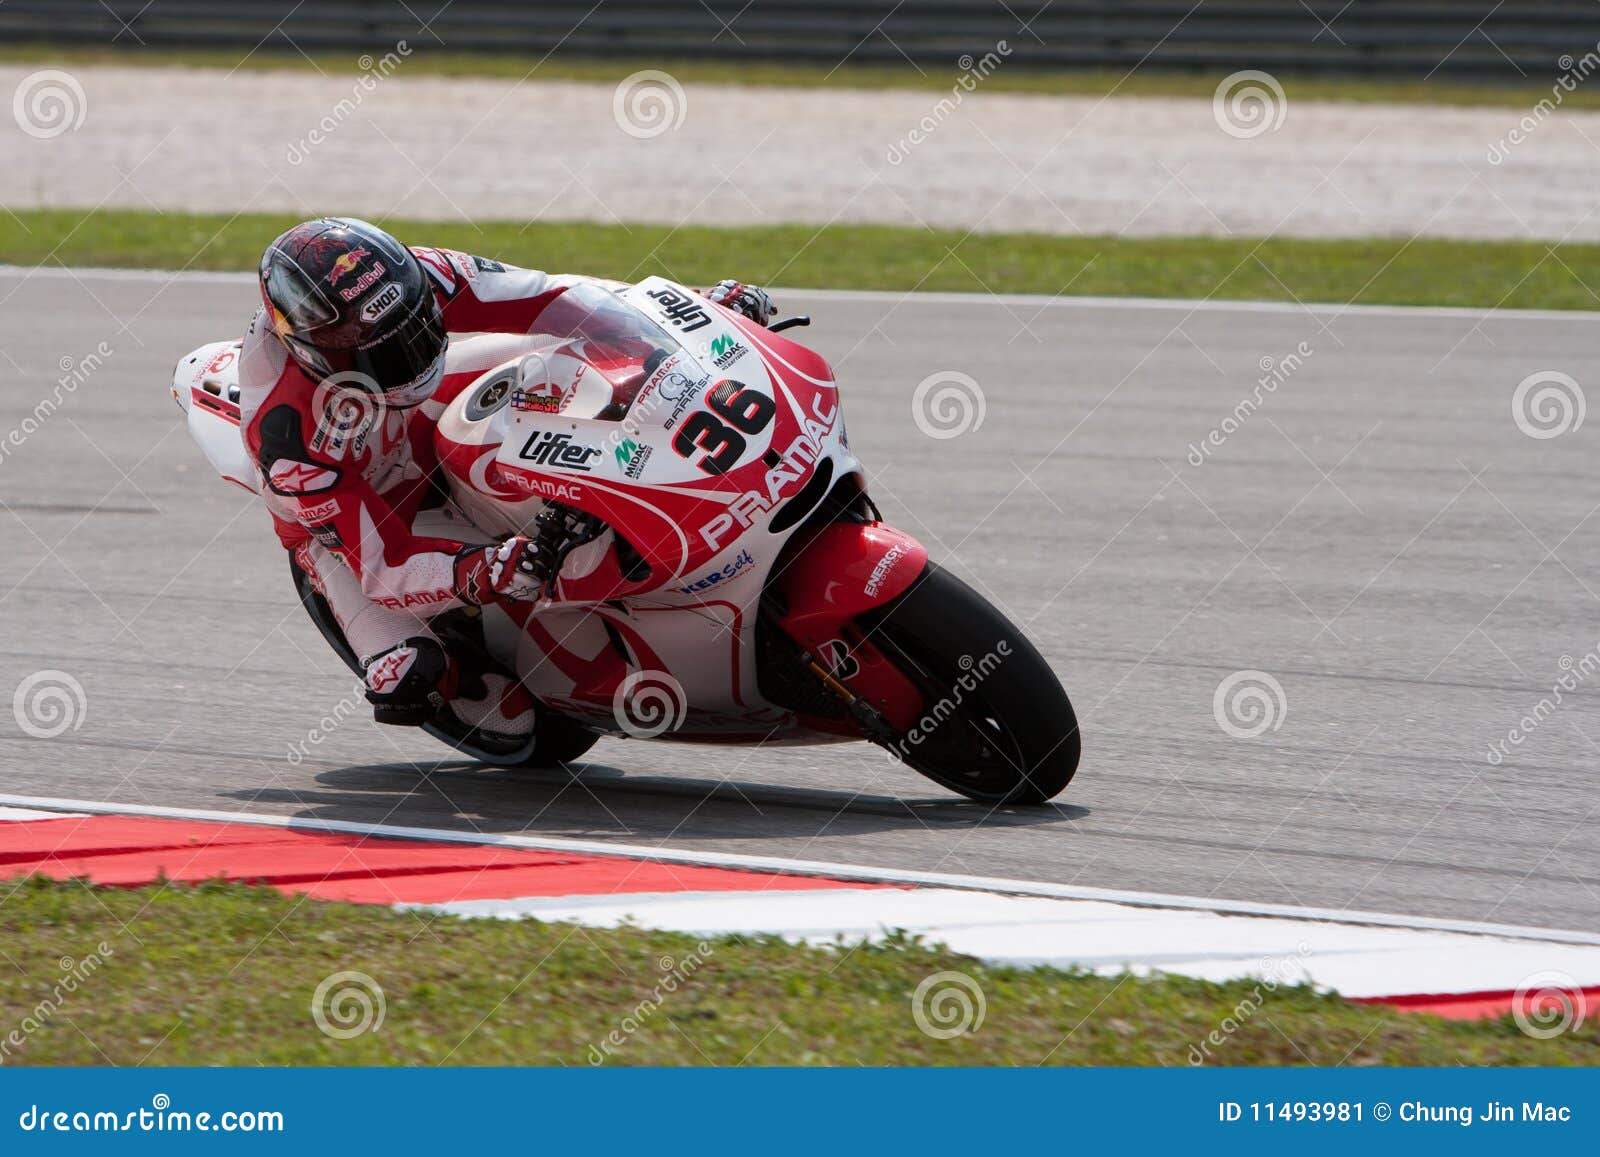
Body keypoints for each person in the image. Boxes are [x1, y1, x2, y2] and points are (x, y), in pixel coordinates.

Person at [237, 216, 776, 756]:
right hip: (358, 513)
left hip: (422, 413)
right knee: (409, 676)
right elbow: (384, 568)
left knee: (574, 344)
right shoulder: (287, 435)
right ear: (316, 355)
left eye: (418, 329)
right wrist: (483, 570)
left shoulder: (418, 276)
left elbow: (558, 297)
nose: (411, 356)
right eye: (385, 354)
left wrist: (693, 312)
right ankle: (455, 661)